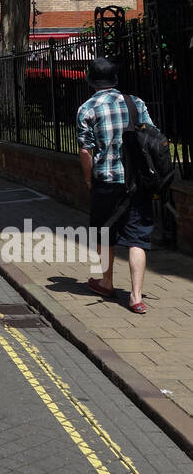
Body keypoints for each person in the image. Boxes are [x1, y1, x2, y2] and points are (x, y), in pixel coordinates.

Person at [76, 57, 154, 314]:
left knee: (104, 232)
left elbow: (86, 152)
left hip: (106, 182)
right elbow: (151, 136)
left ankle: (106, 282)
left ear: (90, 80)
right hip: (137, 181)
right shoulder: (136, 103)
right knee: (137, 238)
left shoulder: (87, 109)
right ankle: (135, 297)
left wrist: (88, 179)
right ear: (115, 80)